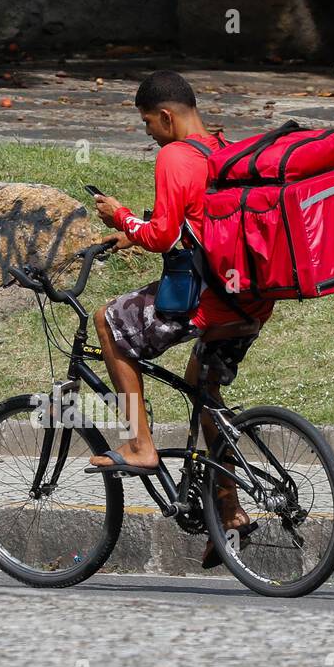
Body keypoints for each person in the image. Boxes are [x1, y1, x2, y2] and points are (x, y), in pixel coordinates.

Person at [88, 69, 276, 568]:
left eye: (148, 123)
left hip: (203, 302)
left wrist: (123, 218)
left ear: (166, 117)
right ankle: (230, 511)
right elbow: (199, 224)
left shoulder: (174, 155)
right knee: (203, 391)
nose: (148, 133)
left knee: (108, 320)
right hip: (248, 304)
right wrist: (140, 231)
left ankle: (140, 444)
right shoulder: (222, 149)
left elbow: (165, 235)